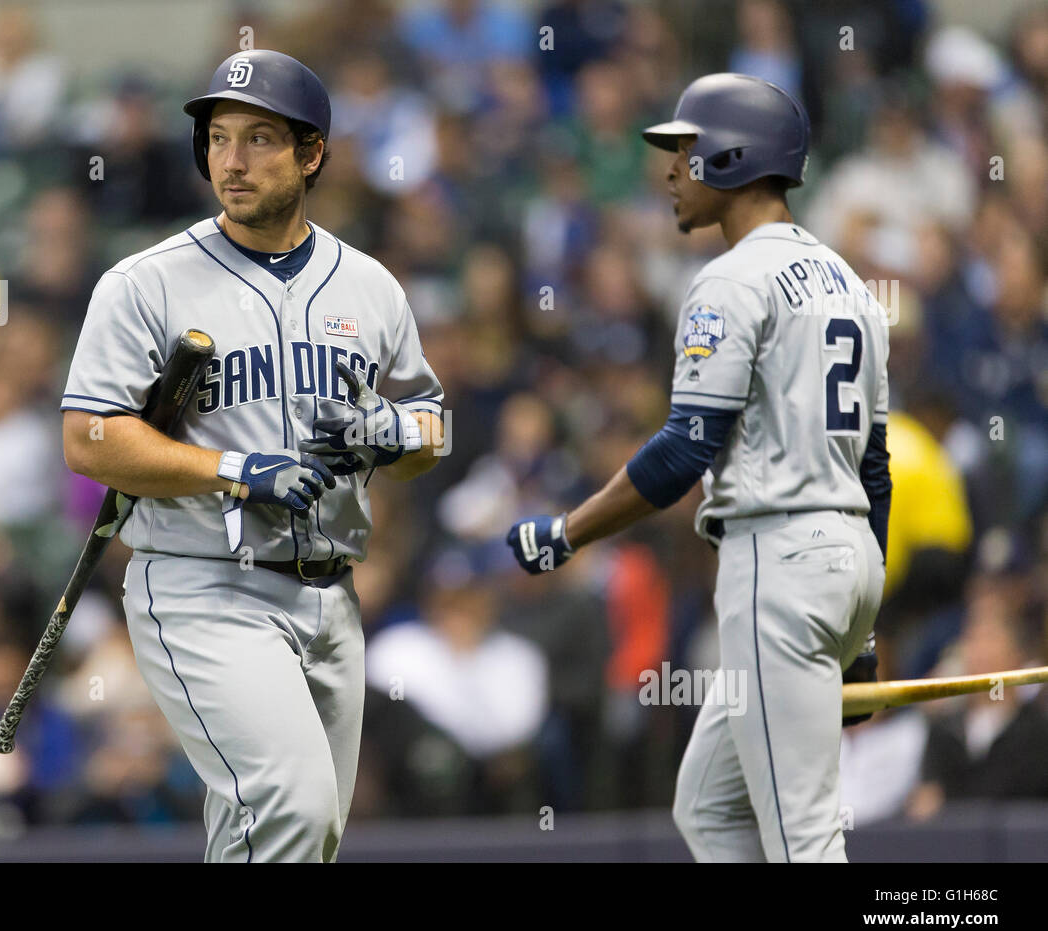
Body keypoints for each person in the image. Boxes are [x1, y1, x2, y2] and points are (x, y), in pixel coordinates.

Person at [60, 50, 444, 862]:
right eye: (219, 138)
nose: (231, 160)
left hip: (332, 595)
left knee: (296, 833)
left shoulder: (370, 286)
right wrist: (231, 468)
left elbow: (430, 427)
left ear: (312, 154)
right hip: (205, 584)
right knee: (290, 811)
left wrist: (388, 435)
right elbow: (87, 436)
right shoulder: (145, 283)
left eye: (260, 139)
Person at [506, 73, 892, 863]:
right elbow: (876, 471)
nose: (671, 170)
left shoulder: (728, 277)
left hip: (777, 560)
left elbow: (685, 449)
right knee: (711, 807)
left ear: (733, 155)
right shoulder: (850, 284)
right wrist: (863, 625)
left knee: (805, 837)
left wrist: (569, 531)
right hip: (847, 558)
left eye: (686, 150)